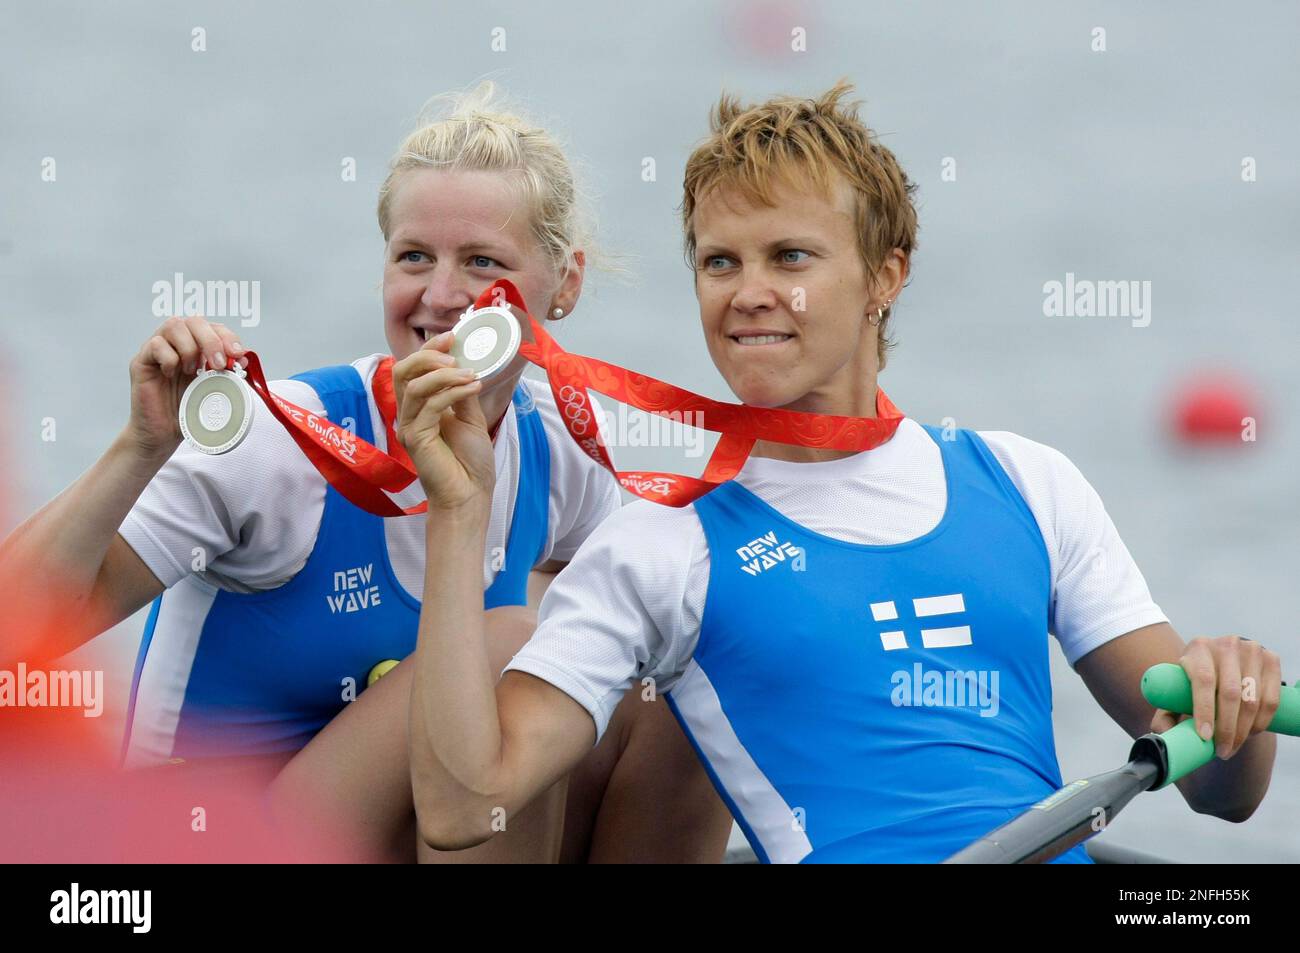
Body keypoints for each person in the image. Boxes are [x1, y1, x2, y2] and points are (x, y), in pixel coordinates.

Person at [400, 81, 1282, 863]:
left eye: (789, 257)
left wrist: (1230, 695)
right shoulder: (661, 548)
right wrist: (458, 512)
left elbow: (1224, 794)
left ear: (884, 276)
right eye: (719, 261)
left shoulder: (1027, 483)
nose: (746, 292)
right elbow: (465, 804)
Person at [0, 82, 732, 863]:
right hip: (207, 841)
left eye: (483, 263)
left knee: (687, 659)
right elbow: (19, 643)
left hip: (410, 829)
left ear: (567, 285)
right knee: (515, 645)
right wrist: (139, 448)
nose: (441, 296)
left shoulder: (556, 448)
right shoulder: (276, 443)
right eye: (414, 257)